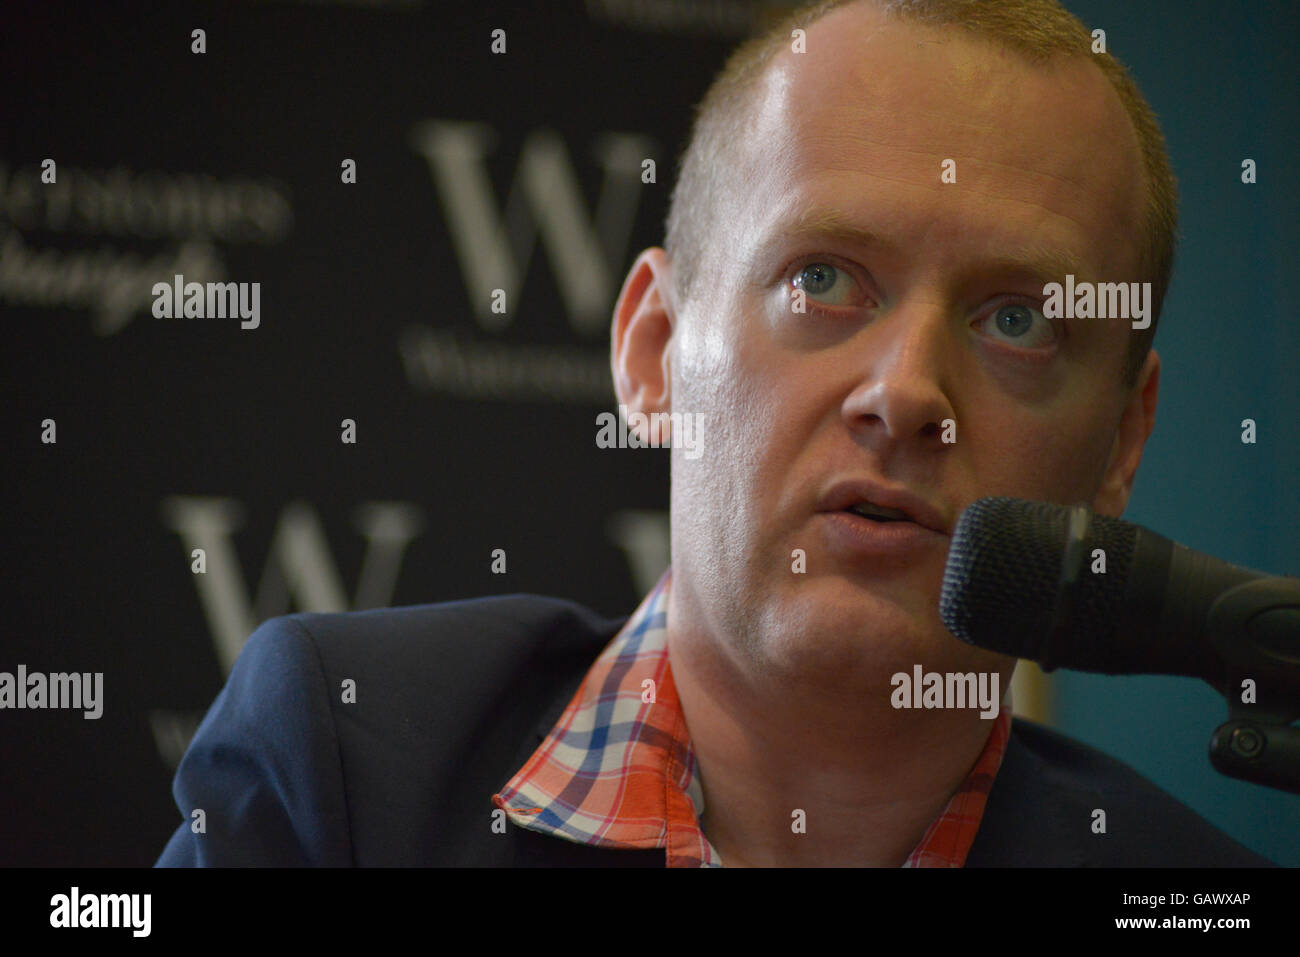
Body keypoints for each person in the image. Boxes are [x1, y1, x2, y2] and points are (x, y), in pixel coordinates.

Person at [156, 0, 1274, 867]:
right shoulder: (342, 770)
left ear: (1122, 443)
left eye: (1017, 321)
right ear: (653, 352)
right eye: (822, 278)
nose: (904, 394)